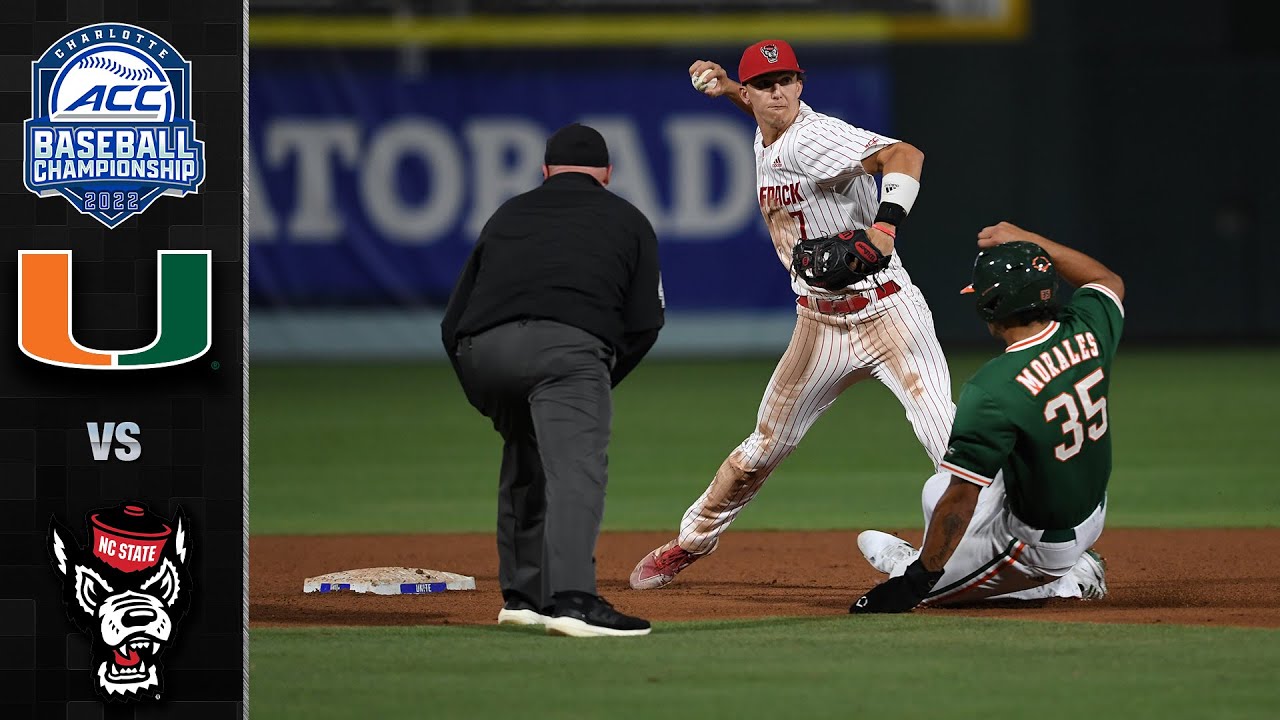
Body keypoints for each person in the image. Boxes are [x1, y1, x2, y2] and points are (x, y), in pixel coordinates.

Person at [630, 39, 955, 590]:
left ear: (801, 84)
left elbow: (906, 155)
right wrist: (731, 90)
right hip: (819, 325)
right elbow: (765, 117)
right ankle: (690, 542)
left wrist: (885, 226)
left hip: (889, 313)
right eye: (764, 84)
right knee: (761, 449)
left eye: (787, 81)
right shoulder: (767, 131)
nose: (778, 92)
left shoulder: (817, 137)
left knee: (947, 438)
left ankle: (1021, 546)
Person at [442, 123, 664, 636]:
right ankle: (573, 600)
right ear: (607, 174)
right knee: (575, 468)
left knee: (526, 452)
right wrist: (594, 379)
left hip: (483, 353)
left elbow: (452, 321)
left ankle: (524, 597)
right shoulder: (629, 220)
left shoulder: (506, 214)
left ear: (545, 172)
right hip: (568, 350)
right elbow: (646, 321)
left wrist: (483, 389)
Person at [851, 222, 1123, 613]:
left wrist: (915, 581)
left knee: (924, 587)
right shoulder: (1089, 330)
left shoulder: (993, 387)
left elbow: (963, 500)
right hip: (1090, 506)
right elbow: (1104, 279)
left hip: (1037, 543)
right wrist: (1034, 245)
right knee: (937, 488)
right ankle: (963, 562)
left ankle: (1071, 578)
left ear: (990, 306)